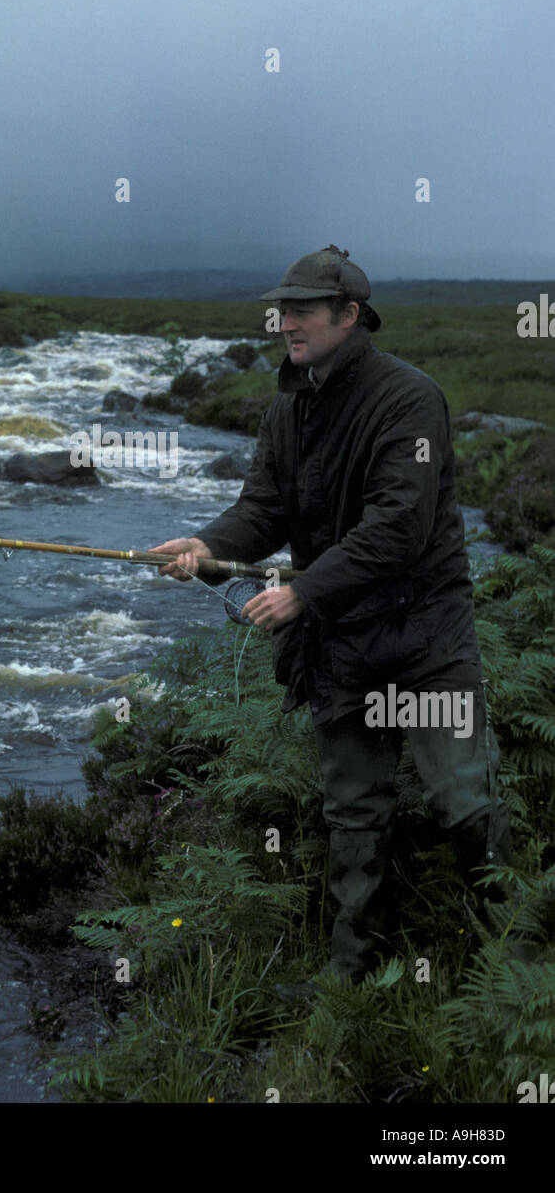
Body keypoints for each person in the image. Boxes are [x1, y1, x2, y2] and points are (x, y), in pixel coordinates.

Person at [150, 244, 517, 998]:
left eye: (302, 309)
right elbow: (264, 510)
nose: (284, 321)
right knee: (352, 813)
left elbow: (397, 527)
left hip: (425, 642)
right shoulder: (288, 404)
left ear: (349, 316)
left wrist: (303, 591)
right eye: (281, 309)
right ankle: (351, 975)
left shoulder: (410, 400)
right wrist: (209, 547)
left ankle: (519, 961)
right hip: (341, 645)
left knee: (463, 802)